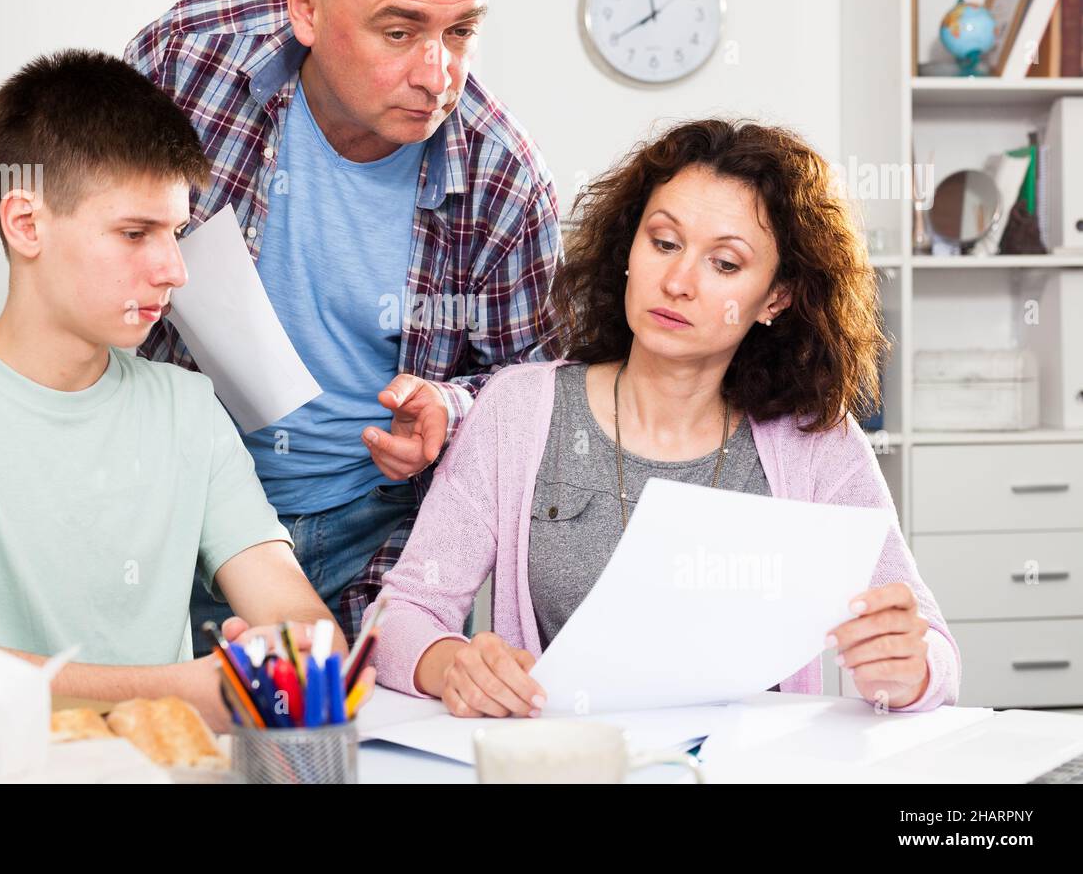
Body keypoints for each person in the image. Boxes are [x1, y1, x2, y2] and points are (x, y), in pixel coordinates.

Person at [0, 49, 356, 730]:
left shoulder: (189, 407)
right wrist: (183, 690)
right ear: (26, 223)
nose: (174, 269)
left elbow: (308, 629)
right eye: (135, 233)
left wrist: (291, 653)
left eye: (176, 232)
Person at [367, 118, 960, 716]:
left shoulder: (816, 443)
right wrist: (451, 663)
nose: (676, 282)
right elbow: (399, 617)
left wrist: (909, 669)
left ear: (776, 298)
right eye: (664, 243)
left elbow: (934, 650)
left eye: (724, 264)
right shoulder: (518, 411)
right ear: (630, 249)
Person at [127, 0, 561, 647]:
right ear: (307, 8)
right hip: (168, 500)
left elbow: (540, 392)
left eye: (460, 31)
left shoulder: (505, 178)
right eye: (400, 32)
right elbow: (83, 228)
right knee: (159, 746)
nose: (438, 76)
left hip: (376, 529)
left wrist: (451, 408)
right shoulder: (183, 61)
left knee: (355, 752)